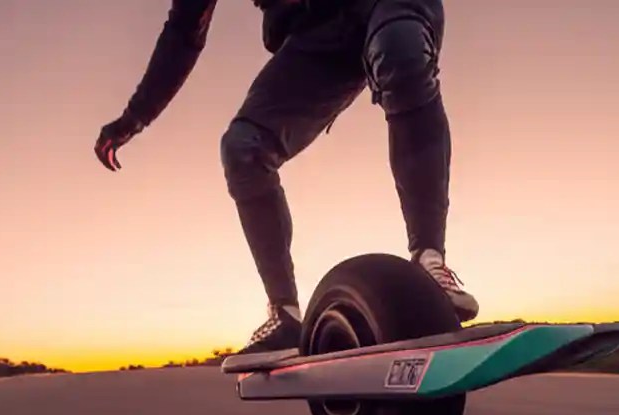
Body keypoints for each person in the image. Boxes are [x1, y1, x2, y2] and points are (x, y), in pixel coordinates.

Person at [95, 0, 478, 354]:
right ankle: (285, 314)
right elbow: (183, 33)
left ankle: (430, 260)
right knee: (243, 148)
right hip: (318, 36)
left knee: (401, 52)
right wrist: (134, 118)